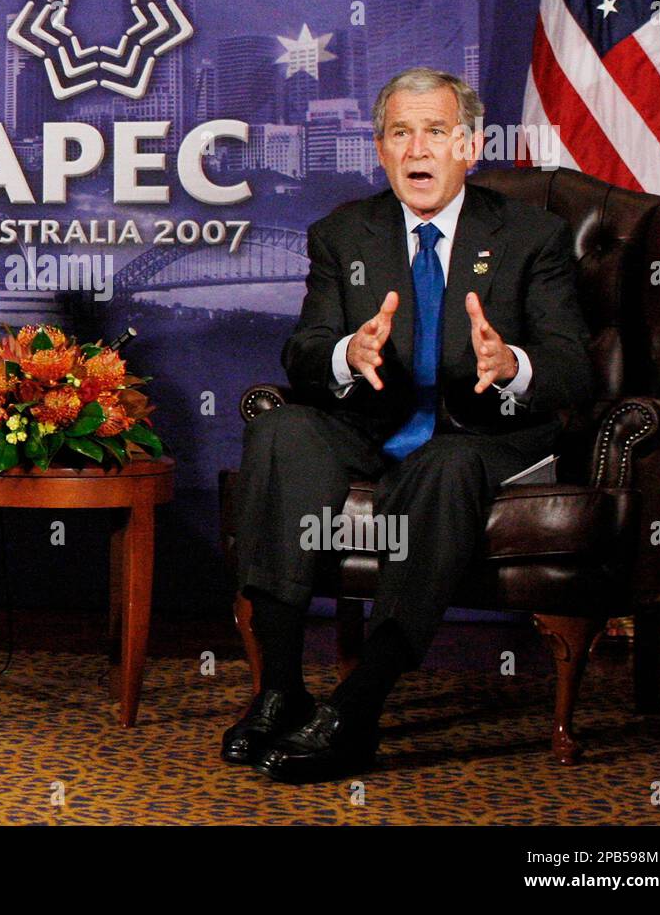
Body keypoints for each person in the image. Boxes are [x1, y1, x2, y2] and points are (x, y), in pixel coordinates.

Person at [224, 67, 594, 783]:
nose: (417, 148)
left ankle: (357, 708)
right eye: (400, 133)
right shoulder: (342, 232)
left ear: (470, 144)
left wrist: (510, 361)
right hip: (372, 424)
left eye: (435, 131)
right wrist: (346, 352)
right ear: (381, 148)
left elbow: (573, 367)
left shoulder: (531, 236)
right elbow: (304, 351)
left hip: (484, 437)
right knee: (282, 432)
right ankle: (280, 691)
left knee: (446, 464)